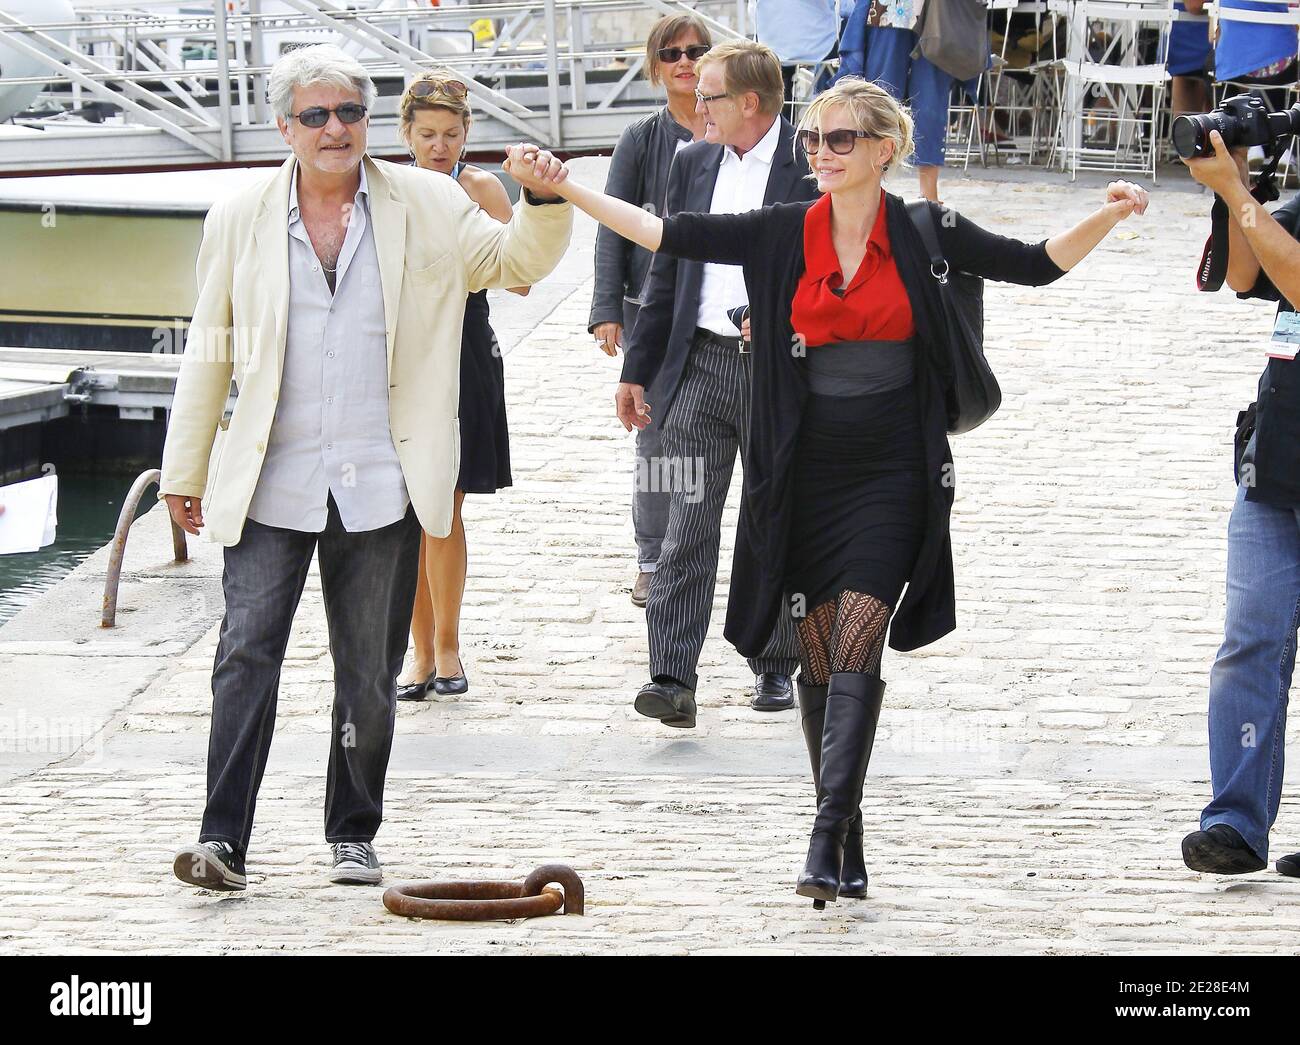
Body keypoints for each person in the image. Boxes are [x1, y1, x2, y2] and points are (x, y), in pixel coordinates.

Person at [506, 76, 1146, 903]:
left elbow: (1034, 265)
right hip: (802, 471)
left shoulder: (925, 228)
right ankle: (846, 834)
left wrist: (1109, 210)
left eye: (840, 139)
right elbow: (665, 233)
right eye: (813, 139)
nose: (822, 152)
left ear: (884, 149)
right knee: (815, 660)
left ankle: (819, 834)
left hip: (893, 469)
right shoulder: (784, 231)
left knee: (857, 638)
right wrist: (566, 187)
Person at [159, 44, 572, 892]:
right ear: (285, 127)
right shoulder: (237, 218)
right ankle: (221, 837)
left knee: (368, 673)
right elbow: (210, 349)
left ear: (367, 122)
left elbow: (515, 263)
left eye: (348, 112)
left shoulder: (426, 201)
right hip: (272, 480)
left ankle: (353, 831)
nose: (335, 128)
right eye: (315, 115)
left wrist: (540, 196)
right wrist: (184, 467)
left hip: (383, 480)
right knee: (245, 655)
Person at [617, 39, 816, 726]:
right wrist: (637, 369)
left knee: (776, 522)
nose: (695, 106)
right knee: (681, 525)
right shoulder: (691, 160)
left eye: (709, 95)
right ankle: (671, 675)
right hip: (695, 368)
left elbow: (834, 267)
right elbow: (664, 269)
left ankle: (774, 663)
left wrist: (785, 312)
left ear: (750, 103)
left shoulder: (810, 161)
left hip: (780, 373)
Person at [1181, 130, 1300, 879]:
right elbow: (1247, 275)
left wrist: (1237, 194)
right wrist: (1236, 185)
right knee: (1249, 643)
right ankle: (1233, 824)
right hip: (1278, 460)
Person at [393, 71, 526, 701]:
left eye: (450, 134)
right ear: (407, 134)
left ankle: (446, 647)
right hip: (399, 354)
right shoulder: (386, 188)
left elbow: (520, 279)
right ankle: (417, 652)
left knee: (445, 505)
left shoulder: (479, 187)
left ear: (466, 132)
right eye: (427, 135)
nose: (439, 145)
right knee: (404, 512)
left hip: (464, 346)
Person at [589, 12, 710, 609]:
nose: (685, 61)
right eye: (672, 53)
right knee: (656, 436)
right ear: (654, 66)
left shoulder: (739, 131)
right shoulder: (641, 139)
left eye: (696, 51)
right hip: (652, 307)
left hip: (722, 308)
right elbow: (611, 223)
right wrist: (605, 306)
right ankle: (653, 556)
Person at [836, 0, 953, 202]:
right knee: (877, 101)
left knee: (929, 103)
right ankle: (870, 186)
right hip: (890, 10)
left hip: (933, 11)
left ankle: (928, 195)